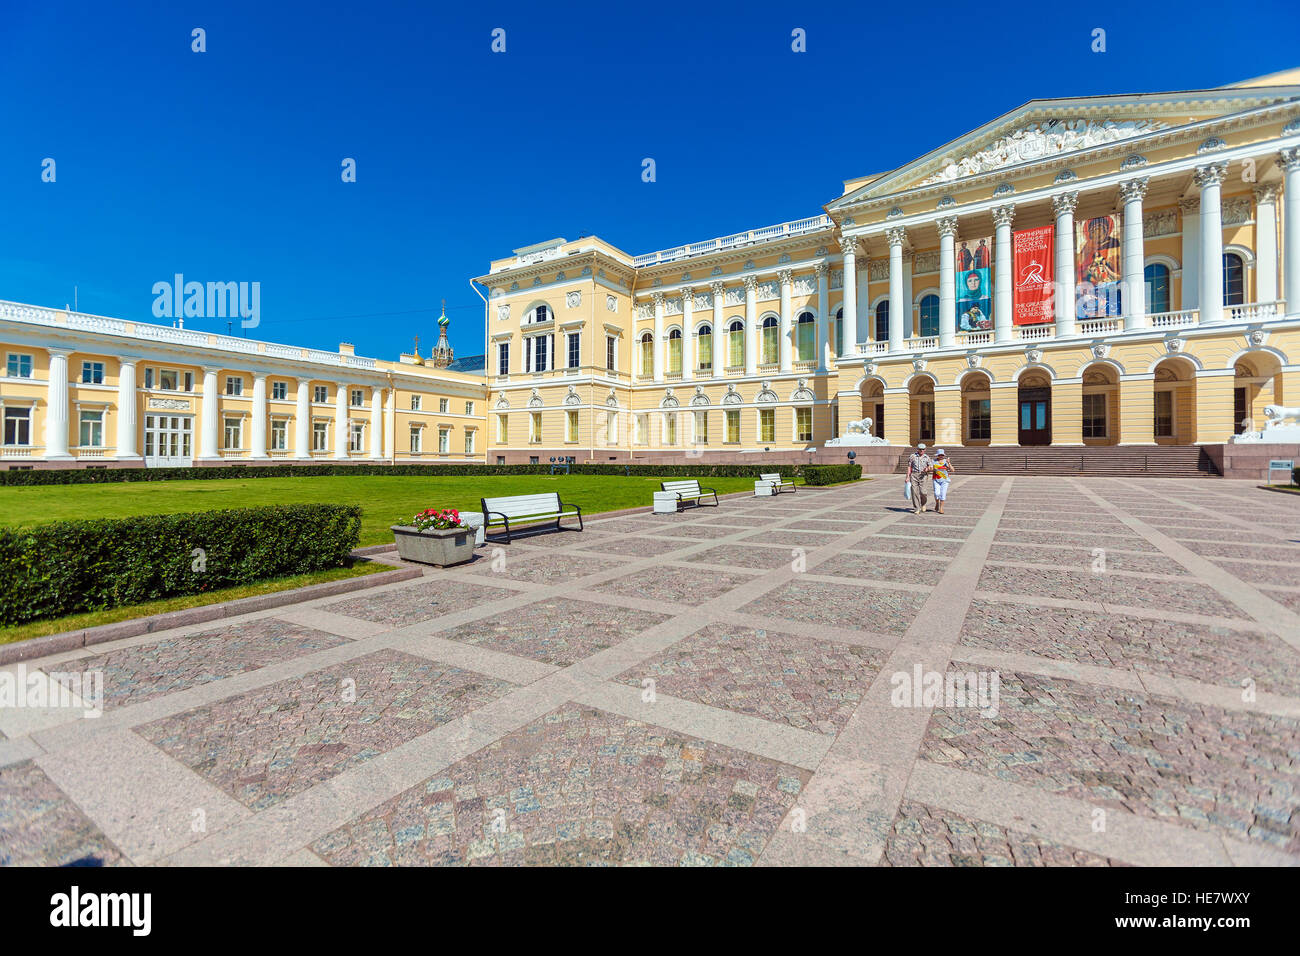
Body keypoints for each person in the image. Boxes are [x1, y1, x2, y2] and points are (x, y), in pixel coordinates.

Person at [906, 443, 933, 514]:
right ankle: (917, 508)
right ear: (917, 449)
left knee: (923, 492)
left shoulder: (927, 457)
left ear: (925, 450)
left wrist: (927, 469)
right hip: (914, 475)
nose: (921, 450)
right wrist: (907, 477)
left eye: (923, 449)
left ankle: (923, 504)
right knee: (914, 492)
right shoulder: (912, 456)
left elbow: (931, 467)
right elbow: (909, 467)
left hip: (923, 475)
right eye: (920, 449)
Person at [932, 449, 954, 514]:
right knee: (936, 493)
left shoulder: (946, 461)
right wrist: (929, 468)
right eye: (939, 455)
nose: (941, 456)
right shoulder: (933, 461)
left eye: (942, 455)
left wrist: (949, 463)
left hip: (945, 480)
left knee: (943, 494)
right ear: (937, 455)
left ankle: (941, 508)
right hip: (936, 479)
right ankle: (937, 503)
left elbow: (952, 470)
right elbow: (930, 468)